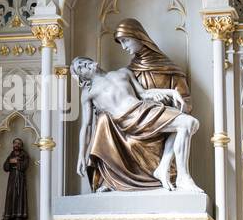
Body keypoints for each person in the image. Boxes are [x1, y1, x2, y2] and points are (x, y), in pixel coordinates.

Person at [72, 56, 199, 193]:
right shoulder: (88, 93)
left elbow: (144, 93)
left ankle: (164, 168)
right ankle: (182, 178)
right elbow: (87, 126)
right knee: (186, 124)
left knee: (190, 122)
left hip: (144, 109)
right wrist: (81, 156)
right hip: (127, 121)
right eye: (80, 67)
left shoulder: (123, 72)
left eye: (83, 61)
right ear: (82, 79)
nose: (84, 64)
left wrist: (171, 92)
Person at [0, 138, 30, 220]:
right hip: (12, 178)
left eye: (18, 144)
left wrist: (18, 162)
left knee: (19, 195)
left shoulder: (24, 155)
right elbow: (5, 167)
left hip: (20, 178)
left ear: (21, 145)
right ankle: (9, 215)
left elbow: (25, 165)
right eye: (15, 143)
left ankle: (19, 215)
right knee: (10, 195)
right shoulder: (11, 155)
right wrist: (10, 162)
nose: (16, 145)